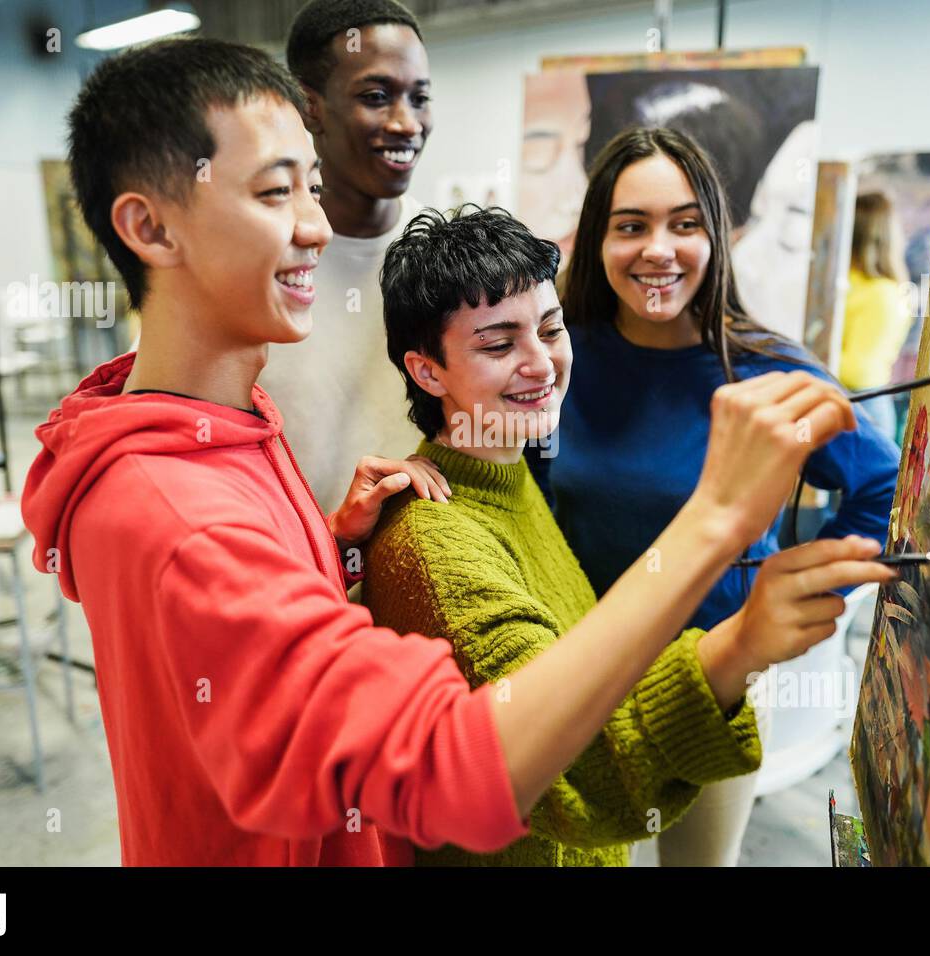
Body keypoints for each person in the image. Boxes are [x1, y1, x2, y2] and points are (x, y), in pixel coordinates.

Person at [20, 38, 860, 866]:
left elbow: (247, 640)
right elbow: (463, 764)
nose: (316, 225)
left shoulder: (232, 425)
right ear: (150, 227)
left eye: (311, 188)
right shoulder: (184, 518)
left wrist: (332, 547)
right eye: (276, 192)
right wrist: (716, 526)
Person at [361, 205, 895, 866]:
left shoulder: (513, 470)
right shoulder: (432, 543)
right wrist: (740, 641)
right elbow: (570, 772)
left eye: (551, 330)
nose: (540, 364)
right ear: (428, 372)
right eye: (499, 345)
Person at [536, 126, 900, 866]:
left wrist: (793, 585)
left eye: (685, 223)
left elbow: (887, 485)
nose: (658, 249)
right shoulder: (557, 355)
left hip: (716, 682)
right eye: (631, 226)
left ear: (717, 236)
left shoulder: (764, 370)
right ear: (596, 239)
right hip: (579, 671)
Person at [258, 0, 432, 513]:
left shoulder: (444, 249)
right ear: (310, 106)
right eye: (376, 97)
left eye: (419, 97)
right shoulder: (256, 267)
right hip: (294, 577)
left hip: (430, 568)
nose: (406, 123)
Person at [840, 190, 912, 440]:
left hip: (862, 405)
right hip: (854, 402)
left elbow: (860, 371)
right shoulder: (850, 283)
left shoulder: (883, 293)